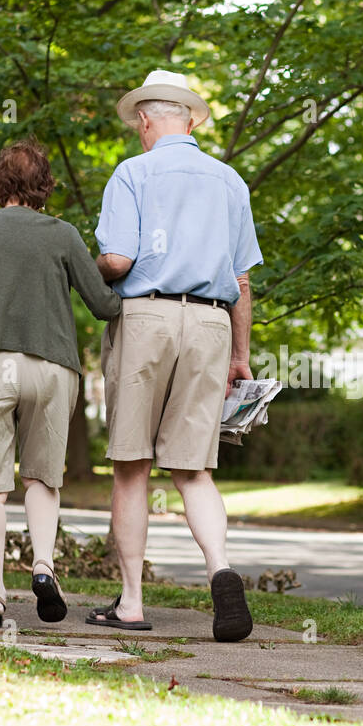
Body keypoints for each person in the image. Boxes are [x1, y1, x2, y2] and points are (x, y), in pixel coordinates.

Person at [89, 69, 262, 642]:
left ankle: (132, 603)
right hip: (213, 322)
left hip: (149, 317)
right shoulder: (230, 181)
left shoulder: (133, 173)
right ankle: (221, 569)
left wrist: (91, 270)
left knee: (132, 464)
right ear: (189, 119)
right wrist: (241, 354)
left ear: (145, 121)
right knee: (193, 468)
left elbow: (117, 260)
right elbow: (240, 279)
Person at [0, 137, 121, 628]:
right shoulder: (64, 235)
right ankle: (43, 567)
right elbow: (103, 305)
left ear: (0, 183)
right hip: (53, 367)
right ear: (44, 185)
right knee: (42, 478)